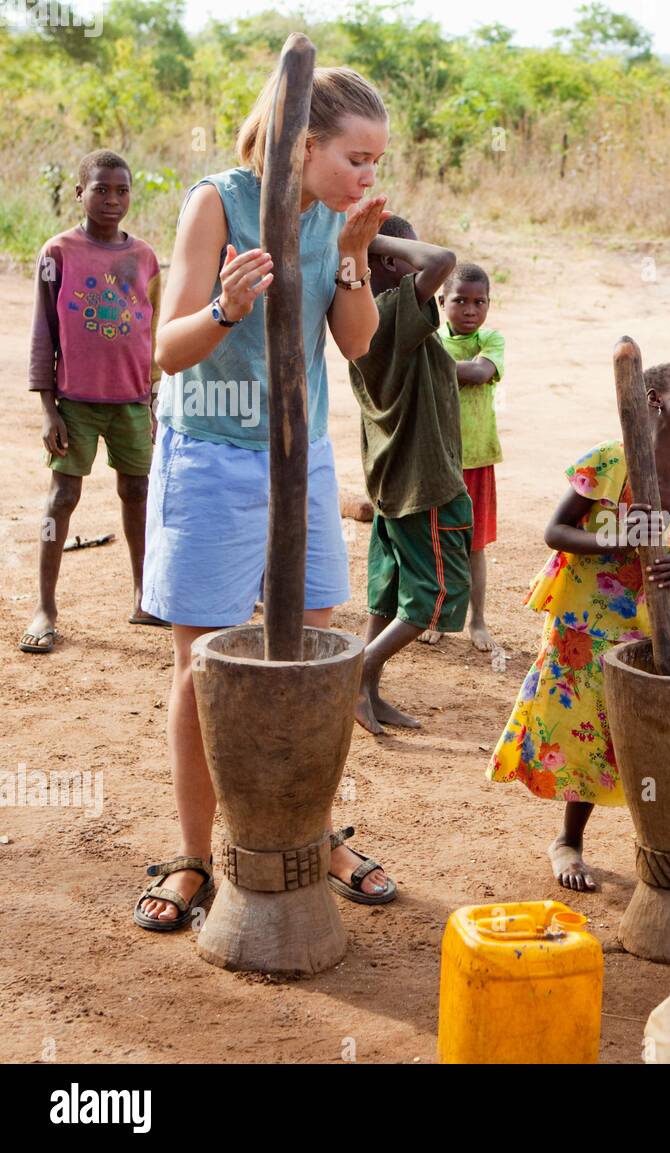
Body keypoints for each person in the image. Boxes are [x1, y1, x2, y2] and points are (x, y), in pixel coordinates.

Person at [133, 65, 398, 930]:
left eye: (376, 160)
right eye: (355, 157)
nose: (368, 175)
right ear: (305, 142)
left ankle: (313, 832)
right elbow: (169, 351)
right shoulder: (219, 202)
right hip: (211, 456)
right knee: (203, 659)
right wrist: (224, 305)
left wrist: (354, 259)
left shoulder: (333, 221)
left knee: (318, 652)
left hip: (303, 459)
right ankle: (194, 854)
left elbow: (356, 348)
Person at [489, 363, 670, 892]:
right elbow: (555, 531)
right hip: (584, 625)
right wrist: (617, 542)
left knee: (655, 734)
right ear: (653, 398)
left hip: (648, 625)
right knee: (585, 731)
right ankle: (568, 841)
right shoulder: (610, 463)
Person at [20, 150, 164, 654]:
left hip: (130, 399)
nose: (112, 199)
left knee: (138, 492)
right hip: (74, 402)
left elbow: (154, 332)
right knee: (62, 497)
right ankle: (44, 606)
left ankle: (145, 595)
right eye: (100, 189)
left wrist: (152, 396)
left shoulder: (144, 258)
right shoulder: (57, 252)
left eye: (121, 190)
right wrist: (47, 407)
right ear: (80, 192)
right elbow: (43, 331)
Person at [348, 216, 466, 734]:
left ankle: (367, 693)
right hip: (424, 483)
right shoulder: (392, 311)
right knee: (435, 593)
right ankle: (359, 673)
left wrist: (359, 244)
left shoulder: (361, 318)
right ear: (393, 264)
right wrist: (363, 237)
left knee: (389, 590)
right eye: (408, 253)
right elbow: (443, 261)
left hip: (393, 478)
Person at [417, 263, 505, 652]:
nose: (471, 310)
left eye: (479, 301)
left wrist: (435, 370)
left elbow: (480, 373)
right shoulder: (430, 338)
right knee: (435, 542)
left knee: (474, 545)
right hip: (439, 460)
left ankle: (478, 620)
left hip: (478, 459)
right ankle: (434, 616)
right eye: (461, 301)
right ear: (441, 302)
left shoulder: (491, 339)